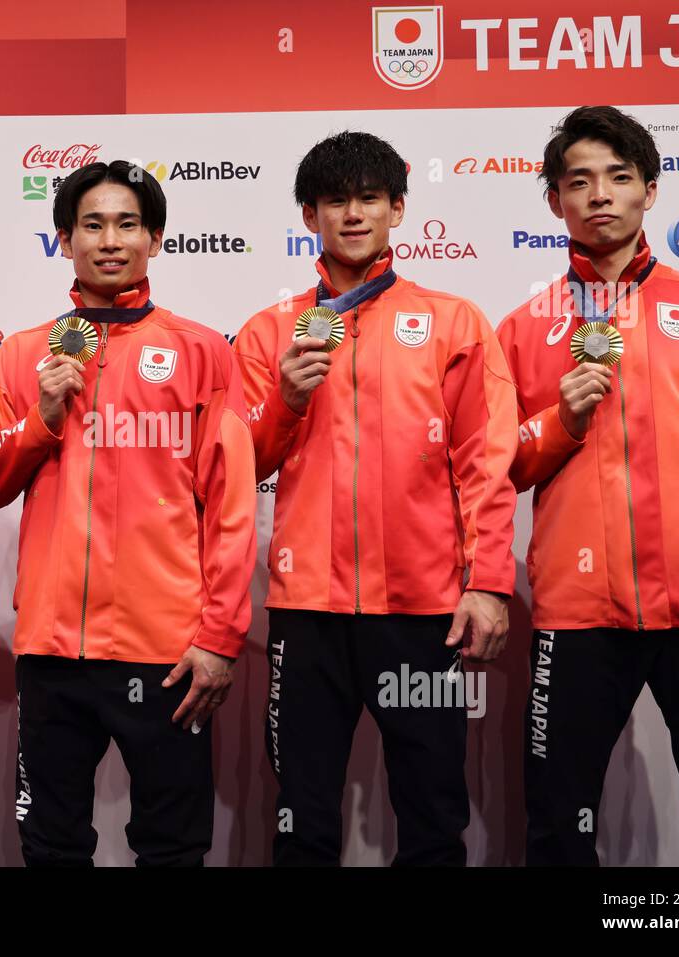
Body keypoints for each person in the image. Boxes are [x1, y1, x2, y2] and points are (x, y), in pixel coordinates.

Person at [497, 105, 679, 866]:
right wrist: (559, 418)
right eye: (579, 181)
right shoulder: (526, 328)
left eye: (619, 178)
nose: (600, 196)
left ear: (650, 192)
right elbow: (501, 468)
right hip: (580, 616)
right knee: (558, 829)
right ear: (556, 200)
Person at [0, 160, 256, 866]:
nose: (111, 240)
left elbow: (234, 504)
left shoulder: (203, 351)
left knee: (174, 844)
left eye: (128, 224)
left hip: (170, 651)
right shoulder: (22, 355)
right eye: (93, 224)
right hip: (53, 650)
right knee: (51, 844)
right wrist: (42, 417)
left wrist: (218, 634)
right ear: (65, 238)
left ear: (155, 238)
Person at [234, 132, 518, 866]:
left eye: (368, 198)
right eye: (335, 200)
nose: (352, 214)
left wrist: (487, 583)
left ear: (398, 209)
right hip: (307, 615)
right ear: (309, 216)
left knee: (432, 817)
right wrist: (285, 403)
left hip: (422, 615)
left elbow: (486, 465)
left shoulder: (455, 322)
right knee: (302, 822)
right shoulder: (270, 333)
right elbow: (238, 467)